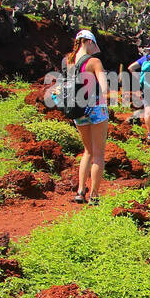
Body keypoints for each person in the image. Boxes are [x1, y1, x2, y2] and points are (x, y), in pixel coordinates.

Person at [66, 29, 110, 204]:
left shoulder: (68, 61)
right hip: (96, 108)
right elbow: (104, 87)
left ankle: (80, 191)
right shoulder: (94, 62)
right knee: (98, 154)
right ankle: (94, 195)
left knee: (87, 151)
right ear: (89, 42)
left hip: (78, 110)